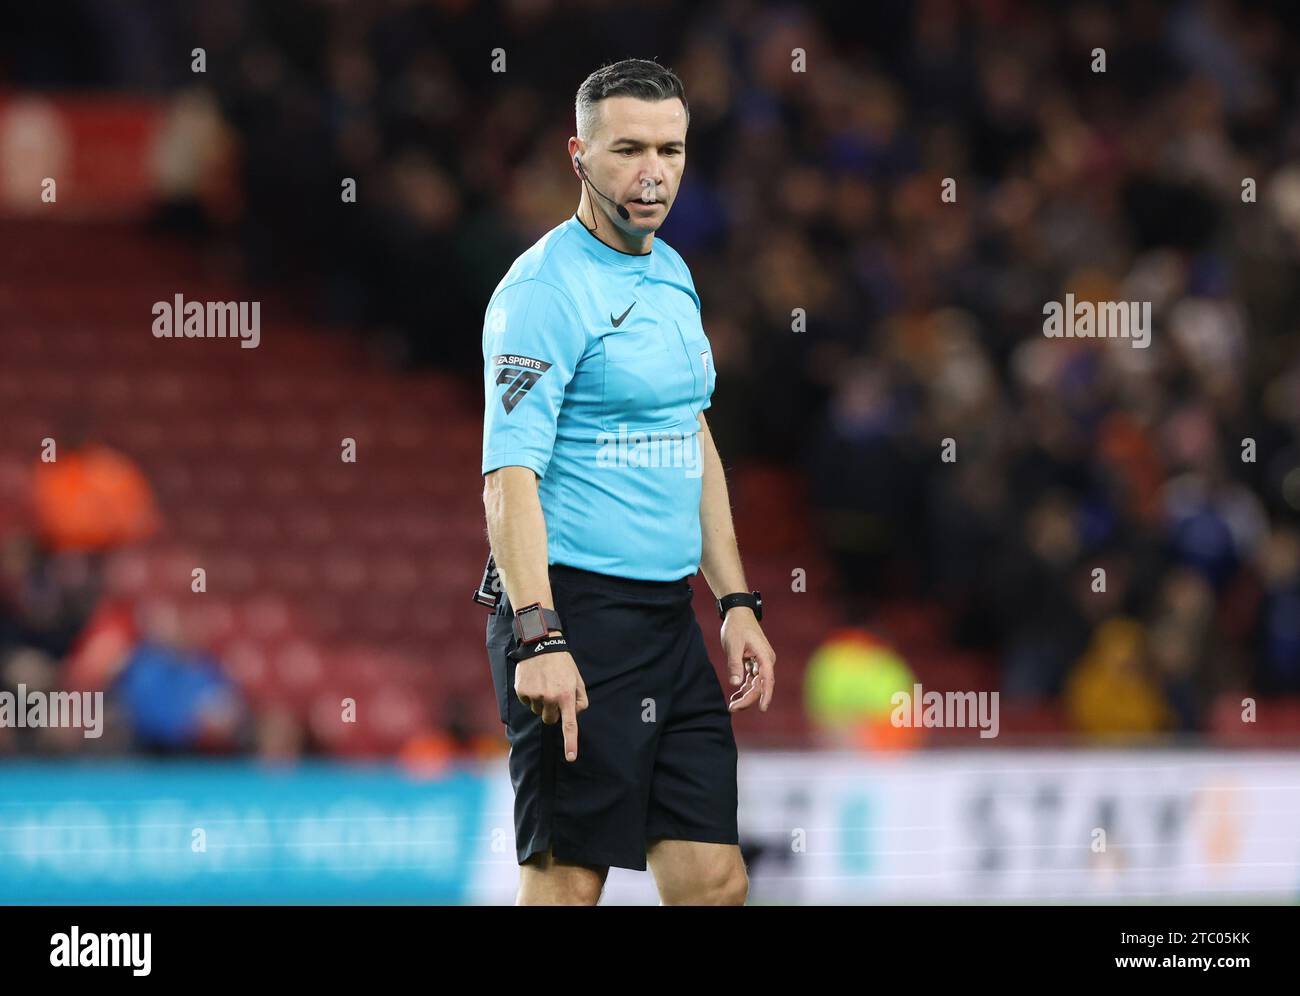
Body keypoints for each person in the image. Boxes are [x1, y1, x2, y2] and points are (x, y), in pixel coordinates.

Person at [480, 59, 775, 906]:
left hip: (665, 617)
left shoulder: (672, 273)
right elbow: (508, 475)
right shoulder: (542, 292)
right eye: (629, 150)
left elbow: (690, 432)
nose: (653, 172)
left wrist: (738, 602)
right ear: (579, 155)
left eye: (672, 150)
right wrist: (539, 635)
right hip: (576, 613)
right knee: (568, 888)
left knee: (714, 881)